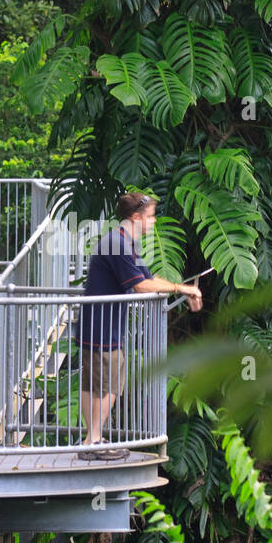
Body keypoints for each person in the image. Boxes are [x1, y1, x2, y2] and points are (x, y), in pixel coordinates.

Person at [77, 192, 203, 461]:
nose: (154, 222)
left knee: (93, 385)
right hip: (103, 326)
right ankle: (94, 442)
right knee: (108, 385)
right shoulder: (119, 245)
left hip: (96, 323)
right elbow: (141, 285)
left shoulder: (121, 242)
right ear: (135, 218)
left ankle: (92, 438)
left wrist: (181, 289)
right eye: (150, 217)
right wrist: (181, 288)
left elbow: (148, 276)